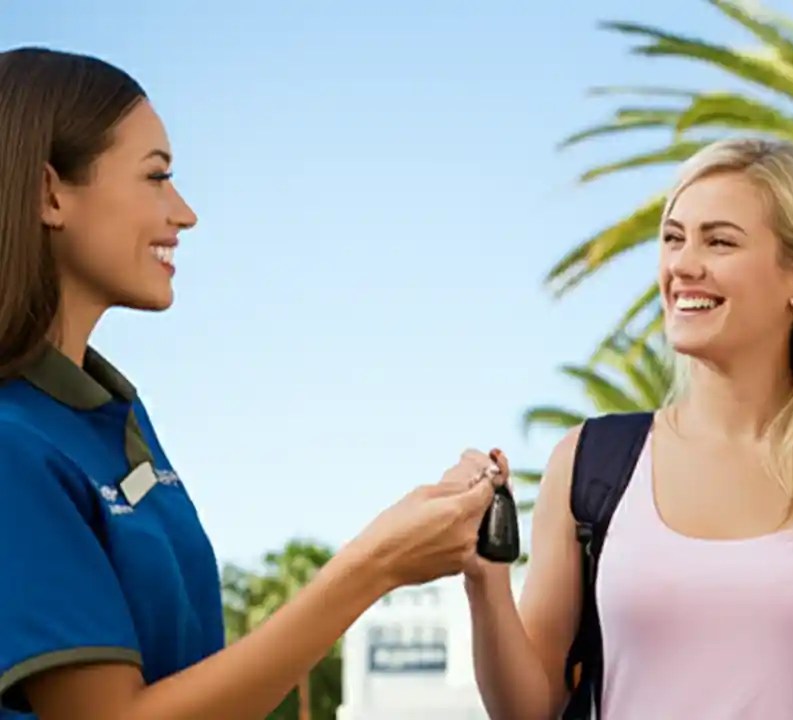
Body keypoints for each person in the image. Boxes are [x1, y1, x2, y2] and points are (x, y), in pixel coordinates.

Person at [0, 46, 502, 720]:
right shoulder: (12, 445)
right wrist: (375, 567)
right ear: (48, 194)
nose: (184, 212)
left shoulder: (112, 417)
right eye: (157, 177)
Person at [463, 137, 793, 719]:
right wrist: (485, 579)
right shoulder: (590, 464)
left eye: (719, 241)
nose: (682, 266)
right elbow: (527, 710)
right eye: (673, 238)